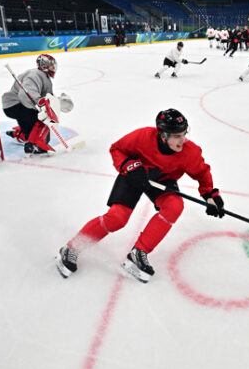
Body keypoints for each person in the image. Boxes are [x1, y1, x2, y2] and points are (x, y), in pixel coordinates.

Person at [55, 108, 224, 283]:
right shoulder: (143, 137)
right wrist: (130, 166)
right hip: (135, 174)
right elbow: (116, 149)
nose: (182, 141)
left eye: (183, 134)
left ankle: (138, 253)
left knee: (174, 206)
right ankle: (72, 249)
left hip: (162, 180)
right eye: (176, 136)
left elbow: (202, 174)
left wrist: (210, 196)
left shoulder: (190, 152)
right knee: (117, 218)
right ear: (163, 135)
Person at [2, 54, 59, 154]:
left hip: (20, 105)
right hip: (14, 105)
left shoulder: (44, 77)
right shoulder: (34, 75)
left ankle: (19, 134)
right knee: (40, 120)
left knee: (38, 122)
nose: (53, 68)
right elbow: (25, 94)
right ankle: (33, 145)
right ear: (44, 65)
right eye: (51, 65)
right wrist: (40, 104)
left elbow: (48, 97)